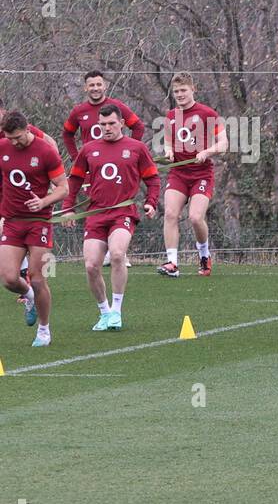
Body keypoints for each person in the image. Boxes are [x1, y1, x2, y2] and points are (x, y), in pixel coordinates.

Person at [60, 105, 159, 331]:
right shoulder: (88, 149)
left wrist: (151, 202)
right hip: (96, 214)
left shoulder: (136, 148)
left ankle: (117, 310)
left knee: (116, 254)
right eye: (102, 124)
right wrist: (68, 208)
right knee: (91, 265)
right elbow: (74, 181)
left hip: (123, 213)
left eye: (111, 123)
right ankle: (104, 312)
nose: (107, 128)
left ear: (122, 123)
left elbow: (153, 179)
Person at [0, 111, 67, 347]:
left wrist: (44, 201)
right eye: (10, 138)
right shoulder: (3, 147)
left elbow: (63, 188)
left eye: (18, 137)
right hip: (12, 221)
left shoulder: (45, 151)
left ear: (28, 129)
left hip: (39, 222)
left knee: (38, 279)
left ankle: (44, 329)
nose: (15, 142)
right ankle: (28, 296)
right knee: (8, 278)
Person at [158, 73, 227, 277]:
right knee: (170, 214)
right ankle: (172, 263)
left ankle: (204, 256)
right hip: (178, 173)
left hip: (201, 174)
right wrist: (168, 152)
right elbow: (169, 141)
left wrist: (207, 152)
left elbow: (224, 143)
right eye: (176, 91)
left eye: (183, 90)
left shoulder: (207, 113)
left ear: (192, 89)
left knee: (196, 218)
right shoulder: (171, 116)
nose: (180, 95)